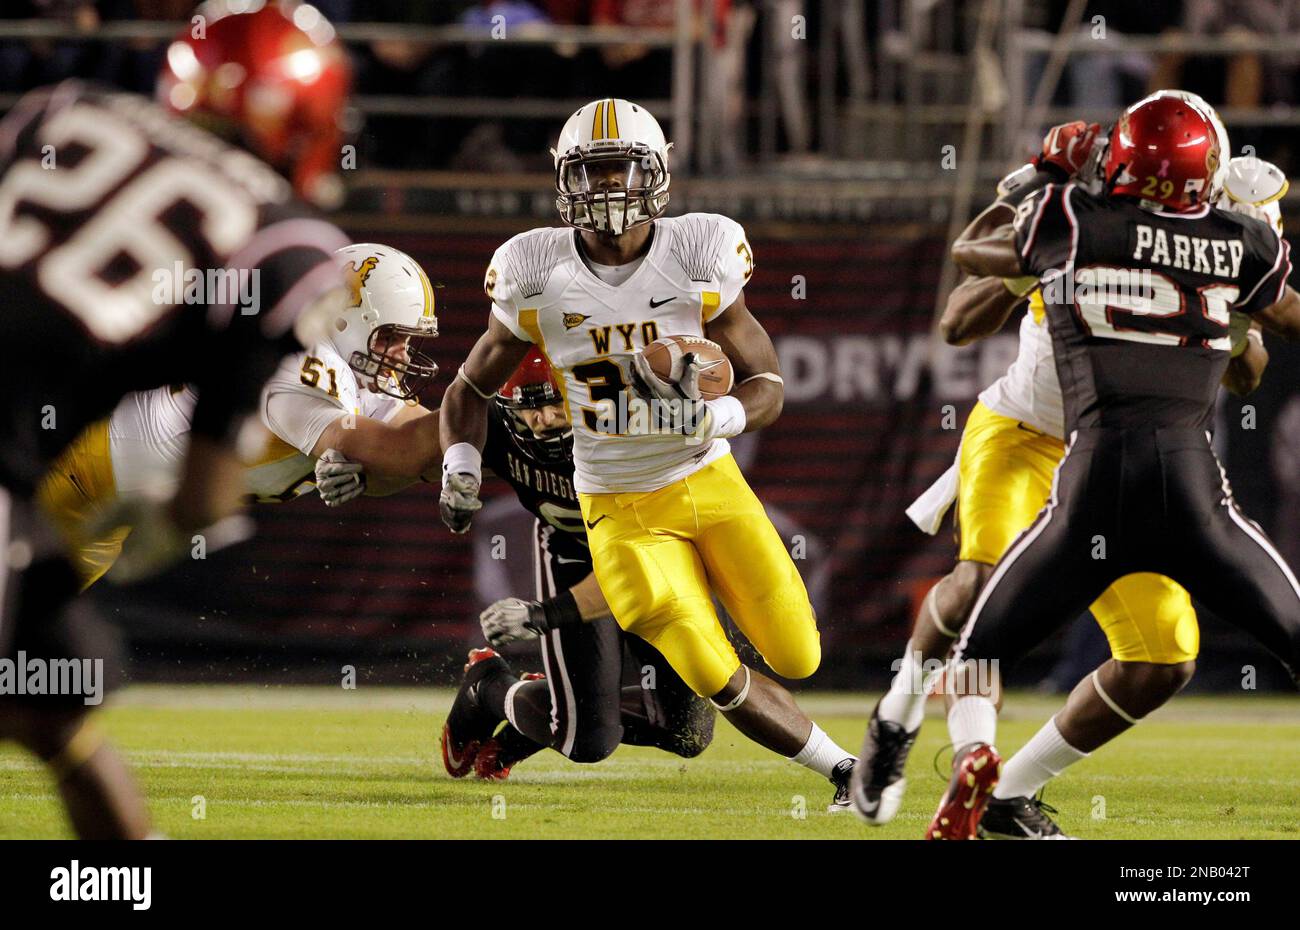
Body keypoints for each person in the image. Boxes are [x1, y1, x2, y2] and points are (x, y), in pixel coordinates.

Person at [850, 93, 1271, 838]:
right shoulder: (1074, 214)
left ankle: (1005, 796)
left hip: (1121, 462)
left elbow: (1247, 375)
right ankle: (905, 723)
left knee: (1163, 658)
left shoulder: (1207, 231)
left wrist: (1232, 309)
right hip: (1026, 433)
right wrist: (1028, 251)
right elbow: (956, 322)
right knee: (981, 584)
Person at [435, 97, 857, 809]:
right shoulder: (534, 270)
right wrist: (461, 467)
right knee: (706, 665)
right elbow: (468, 385)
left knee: (798, 653)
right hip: (618, 505)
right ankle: (847, 771)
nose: (606, 189)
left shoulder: (699, 252)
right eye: (591, 173)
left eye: (620, 170)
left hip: (707, 480)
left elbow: (770, 385)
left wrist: (716, 415)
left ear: (656, 173)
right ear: (566, 179)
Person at [0, 0, 354, 838]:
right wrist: (152, 531)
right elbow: (203, 497)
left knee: (52, 708)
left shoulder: (61, 107)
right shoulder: (282, 241)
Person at [37, 243, 444, 589]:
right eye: (391, 336)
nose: (401, 355)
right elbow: (391, 449)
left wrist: (490, 426)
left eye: (408, 341)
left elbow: (425, 444)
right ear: (346, 319)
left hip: (116, 493)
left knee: (28, 619)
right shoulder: (306, 356)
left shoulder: (358, 385)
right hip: (81, 466)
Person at [433, 349, 716, 778]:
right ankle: (493, 687)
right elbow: (425, 429)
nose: (542, 419)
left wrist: (544, 615)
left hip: (648, 557)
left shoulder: (634, 429)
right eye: (528, 407)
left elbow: (632, 574)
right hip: (571, 552)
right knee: (586, 741)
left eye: (553, 402)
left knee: (686, 729)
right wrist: (358, 460)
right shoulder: (492, 423)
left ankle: (517, 702)